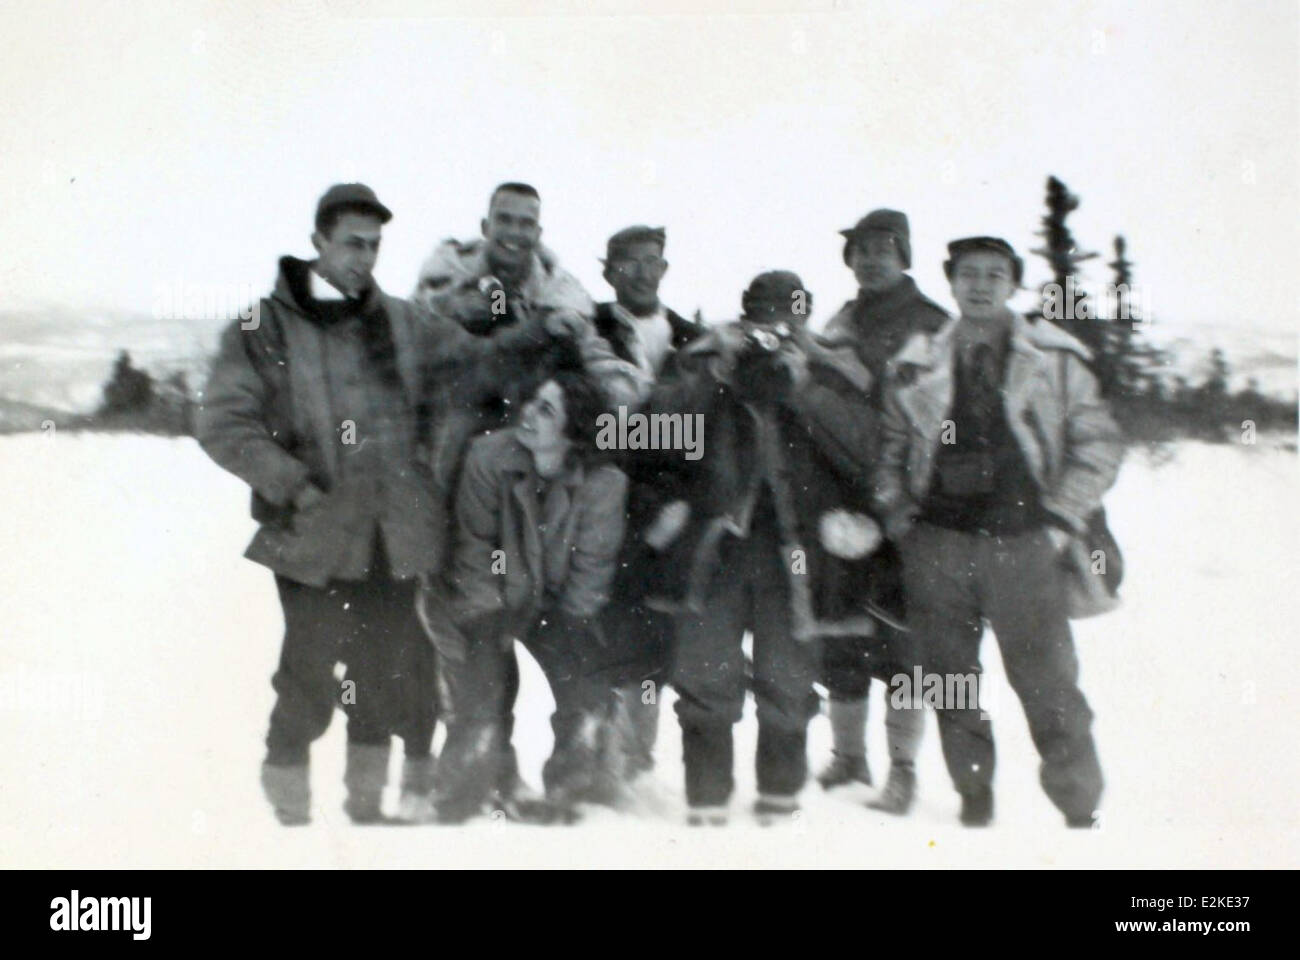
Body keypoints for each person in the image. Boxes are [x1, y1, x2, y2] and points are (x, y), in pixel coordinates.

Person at [197, 183, 562, 826]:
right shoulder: (265, 323)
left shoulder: (400, 320)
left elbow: (475, 361)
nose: (363, 258)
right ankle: (288, 806)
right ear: (317, 243)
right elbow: (224, 424)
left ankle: (365, 812)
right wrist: (293, 484)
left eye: (373, 246)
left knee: (381, 675)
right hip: (313, 534)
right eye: (351, 244)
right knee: (310, 673)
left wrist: (538, 333)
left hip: (396, 533)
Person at [411, 184, 647, 815]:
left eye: (528, 223)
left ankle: (581, 774)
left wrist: (577, 339)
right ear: (484, 223)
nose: (516, 233)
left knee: (582, 663)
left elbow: (618, 389)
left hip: (550, 444)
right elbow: (433, 355)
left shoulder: (561, 292)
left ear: (540, 231)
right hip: (479, 458)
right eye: (505, 221)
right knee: (478, 669)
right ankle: (483, 771)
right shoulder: (445, 284)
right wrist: (488, 603)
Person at [874, 236, 1124, 827]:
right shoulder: (916, 363)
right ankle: (973, 796)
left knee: (1049, 684)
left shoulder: (1054, 359)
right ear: (951, 283)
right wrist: (900, 518)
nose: (980, 284)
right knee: (952, 681)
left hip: (1024, 547)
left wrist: (1061, 518)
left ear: (1014, 284)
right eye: (968, 274)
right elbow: (887, 452)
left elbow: (1100, 445)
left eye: (994, 274)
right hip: (937, 544)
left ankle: (1078, 808)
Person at [638, 271, 878, 825]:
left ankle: (779, 797)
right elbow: (654, 430)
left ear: (806, 314)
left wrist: (803, 387)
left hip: (797, 552)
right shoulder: (703, 357)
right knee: (704, 672)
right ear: (744, 314)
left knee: (790, 674)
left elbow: (864, 446)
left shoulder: (831, 367)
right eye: (764, 312)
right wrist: (719, 376)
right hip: (713, 546)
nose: (777, 324)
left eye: (790, 312)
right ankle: (706, 798)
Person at [429, 369, 628, 823]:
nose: (528, 414)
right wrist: (488, 619)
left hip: (553, 604)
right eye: (532, 401)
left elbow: (590, 572)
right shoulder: (488, 456)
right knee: (484, 688)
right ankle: (476, 788)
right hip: (479, 596)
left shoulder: (604, 484)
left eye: (546, 409)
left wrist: (571, 637)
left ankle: (573, 786)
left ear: (573, 431)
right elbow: (474, 549)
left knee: (585, 682)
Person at [814, 209, 949, 814]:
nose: (870, 259)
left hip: (908, 506)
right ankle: (848, 757)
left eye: (883, 248)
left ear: (906, 255)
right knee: (840, 629)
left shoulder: (933, 326)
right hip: (843, 499)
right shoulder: (840, 321)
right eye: (861, 250)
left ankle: (904, 769)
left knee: (906, 642)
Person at [591, 225, 704, 785]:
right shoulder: (590, 330)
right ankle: (607, 754)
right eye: (627, 262)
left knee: (661, 630)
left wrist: (682, 500)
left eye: (651, 261)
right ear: (608, 271)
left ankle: (639, 757)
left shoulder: (691, 339)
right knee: (609, 623)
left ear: (665, 267)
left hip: (677, 508)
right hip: (612, 501)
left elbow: (702, 431)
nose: (640, 271)